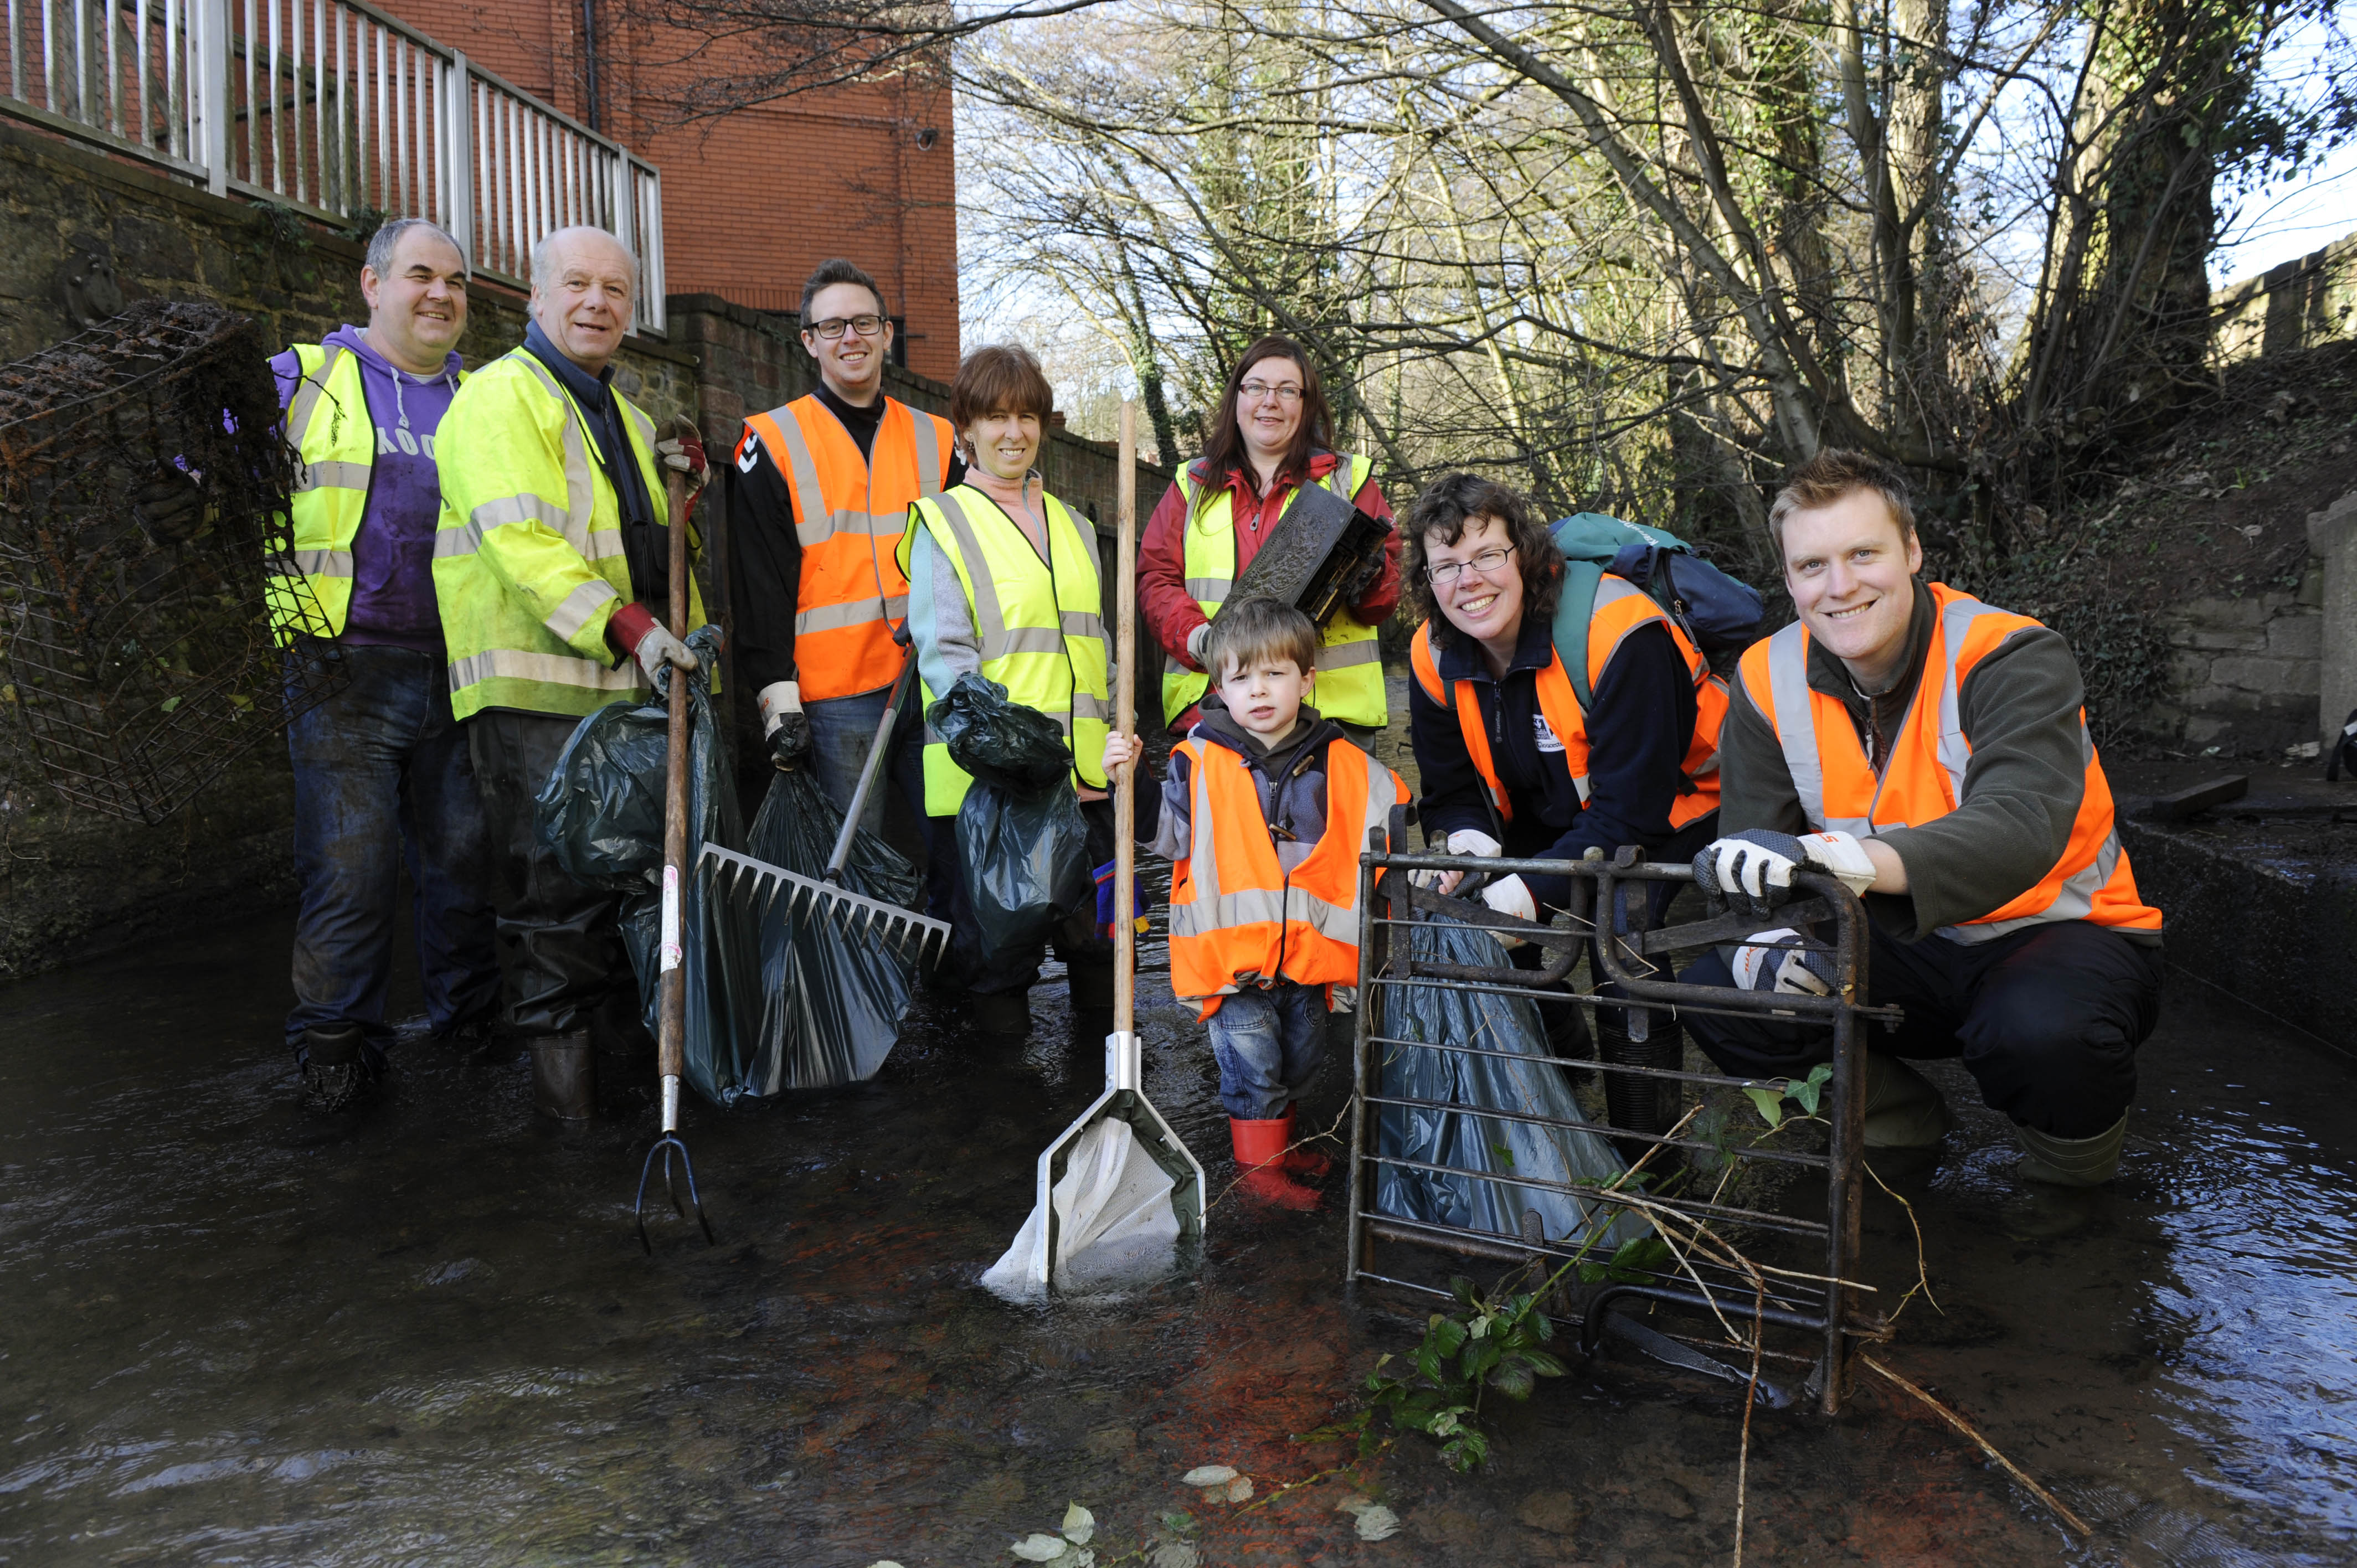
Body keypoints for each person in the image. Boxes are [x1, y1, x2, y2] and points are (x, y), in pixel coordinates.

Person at [1681, 448, 2164, 1186]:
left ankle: (2074, 1188)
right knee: (1719, 990)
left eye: (1863, 554)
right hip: (1898, 943)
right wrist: (1762, 937)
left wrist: (1853, 859)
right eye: (1812, 566)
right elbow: (1752, 846)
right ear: (1788, 579)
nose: (1840, 587)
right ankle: (1899, 1132)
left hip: (2059, 930)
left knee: (2043, 1036)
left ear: (1911, 551)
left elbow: (2022, 821)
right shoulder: (1763, 677)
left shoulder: (2009, 653)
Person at [432, 225, 711, 1122]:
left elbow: (650, 555)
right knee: (552, 910)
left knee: (622, 897)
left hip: (619, 701)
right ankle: (570, 1134)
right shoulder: (494, 397)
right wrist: (629, 628)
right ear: (536, 300)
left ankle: (623, 1106)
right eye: (579, 286)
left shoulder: (627, 421)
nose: (598, 303)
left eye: (616, 291)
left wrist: (685, 508)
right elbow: (522, 543)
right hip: (531, 697)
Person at [270, 217, 501, 1112]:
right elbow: (200, 464)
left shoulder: (489, 398)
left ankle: (471, 1032)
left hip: (463, 668)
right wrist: (175, 494)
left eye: (456, 280)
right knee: (351, 870)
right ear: (372, 285)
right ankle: (337, 1055)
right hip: (340, 671)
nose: (440, 293)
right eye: (419, 275)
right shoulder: (302, 379)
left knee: (464, 864)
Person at [1403, 473, 1727, 1103]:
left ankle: (1648, 1149)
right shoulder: (1430, 652)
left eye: (1486, 556)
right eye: (1445, 567)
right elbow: (1447, 787)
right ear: (1427, 580)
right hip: (1551, 808)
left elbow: (1629, 815)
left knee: (1618, 926)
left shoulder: (1618, 629)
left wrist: (1527, 891)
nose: (1468, 581)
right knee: (1476, 904)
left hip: (1680, 803)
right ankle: (1564, 1087)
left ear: (1522, 557)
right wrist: (1469, 847)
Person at [1108, 596, 1404, 1210]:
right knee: (1251, 1072)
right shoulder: (1197, 762)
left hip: (1309, 960)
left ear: (1306, 679)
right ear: (1219, 687)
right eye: (1241, 678)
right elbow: (1164, 835)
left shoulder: (1342, 764)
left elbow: (1387, 835)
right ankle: (1259, 1174)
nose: (1259, 690)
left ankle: (1280, 1144)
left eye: (1274, 674)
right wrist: (1133, 780)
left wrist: (1421, 884)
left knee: (1301, 1062)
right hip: (1232, 965)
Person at [897, 343, 1112, 1041]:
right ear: (965, 428)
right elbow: (948, 664)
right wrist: (1011, 755)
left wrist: (1120, 732)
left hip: (1086, 785)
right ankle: (1003, 1129)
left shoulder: (1077, 528)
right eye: (994, 417)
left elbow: (1099, 653)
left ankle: (1099, 1109)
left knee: (1100, 952)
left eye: (1025, 415)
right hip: (990, 796)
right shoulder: (943, 523)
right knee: (997, 968)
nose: (1012, 431)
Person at [727, 259, 961, 831]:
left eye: (863, 322)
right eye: (832, 326)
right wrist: (776, 701)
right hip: (835, 697)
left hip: (933, 681)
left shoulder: (941, 438)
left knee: (949, 849)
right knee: (851, 867)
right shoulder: (770, 441)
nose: (850, 337)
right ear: (809, 341)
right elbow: (759, 586)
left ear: (886, 333)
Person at [1138, 336, 1401, 738]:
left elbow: (1382, 602)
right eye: (1256, 387)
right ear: (1237, 399)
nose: (1269, 401)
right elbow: (1156, 580)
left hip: (1328, 721)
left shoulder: (1350, 482)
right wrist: (1204, 643)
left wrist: (1371, 575)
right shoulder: (1191, 485)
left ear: (1306, 404)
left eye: (1287, 391)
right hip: (1217, 706)